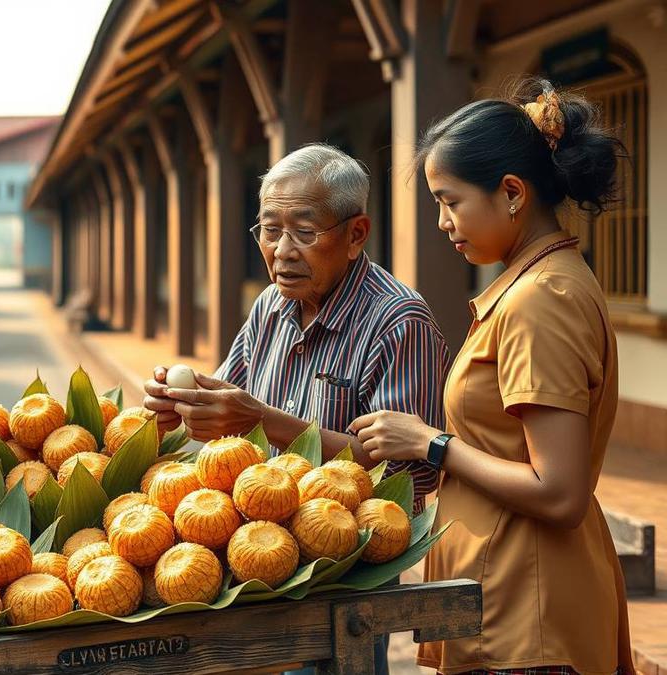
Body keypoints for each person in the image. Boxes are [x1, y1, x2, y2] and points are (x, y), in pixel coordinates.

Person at [350, 79, 634, 673]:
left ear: (510, 193)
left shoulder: (541, 299)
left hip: (528, 617)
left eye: (450, 201)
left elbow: (559, 492)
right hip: (509, 602)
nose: (442, 223)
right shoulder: (533, 286)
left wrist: (430, 443)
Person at [145, 143, 449, 673]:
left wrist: (262, 420)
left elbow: (404, 478)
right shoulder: (271, 305)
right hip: (257, 560)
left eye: (304, 232)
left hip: (337, 577)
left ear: (356, 235)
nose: (282, 250)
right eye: (269, 229)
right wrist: (186, 405)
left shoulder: (399, 322)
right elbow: (234, 408)